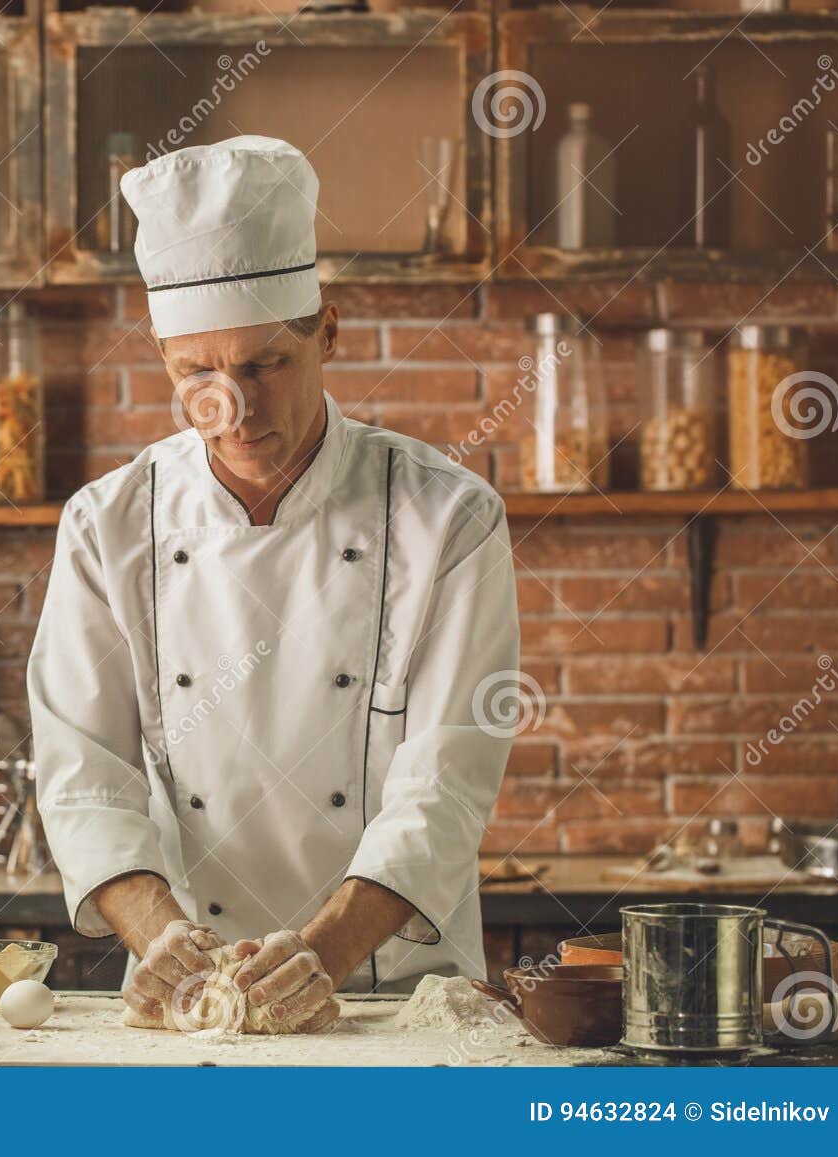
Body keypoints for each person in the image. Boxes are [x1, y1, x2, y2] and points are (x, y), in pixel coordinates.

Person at [27, 136, 520, 1030]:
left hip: (396, 998)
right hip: (192, 997)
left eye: (264, 365)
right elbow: (82, 774)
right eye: (198, 374)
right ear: (163, 356)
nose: (234, 409)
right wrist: (161, 935)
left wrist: (320, 955)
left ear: (327, 330)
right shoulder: (108, 526)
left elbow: (446, 780)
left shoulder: (447, 518)